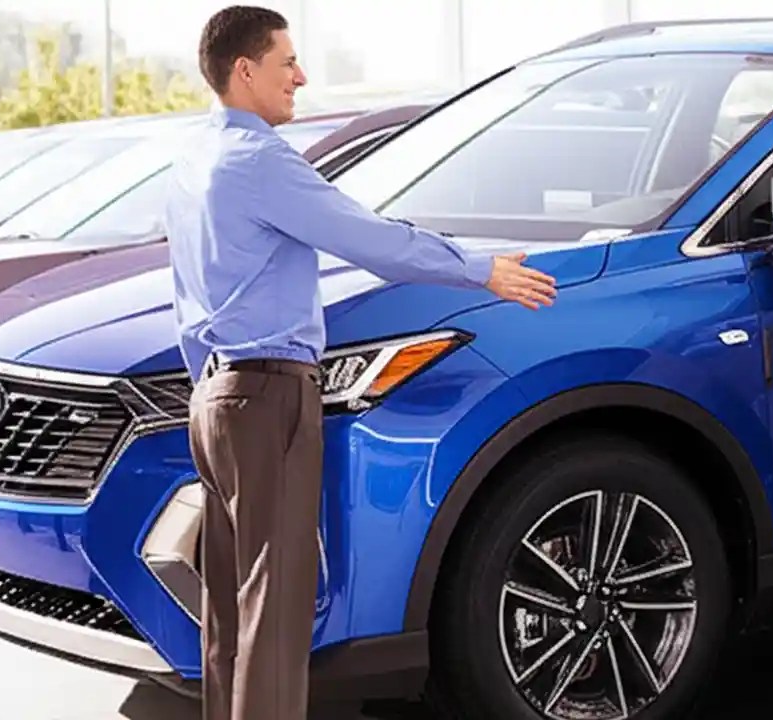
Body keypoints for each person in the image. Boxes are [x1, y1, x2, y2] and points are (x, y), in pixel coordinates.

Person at [163, 6, 557, 720]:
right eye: (288, 63)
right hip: (264, 392)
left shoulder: (192, 159)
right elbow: (366, 237)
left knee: (229, 613)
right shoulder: (258, 160)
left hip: (214, 396)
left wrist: (212, 392)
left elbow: (185, 287)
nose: (301, 77)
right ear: (245, 71)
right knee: (275, 611)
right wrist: (482, 272)